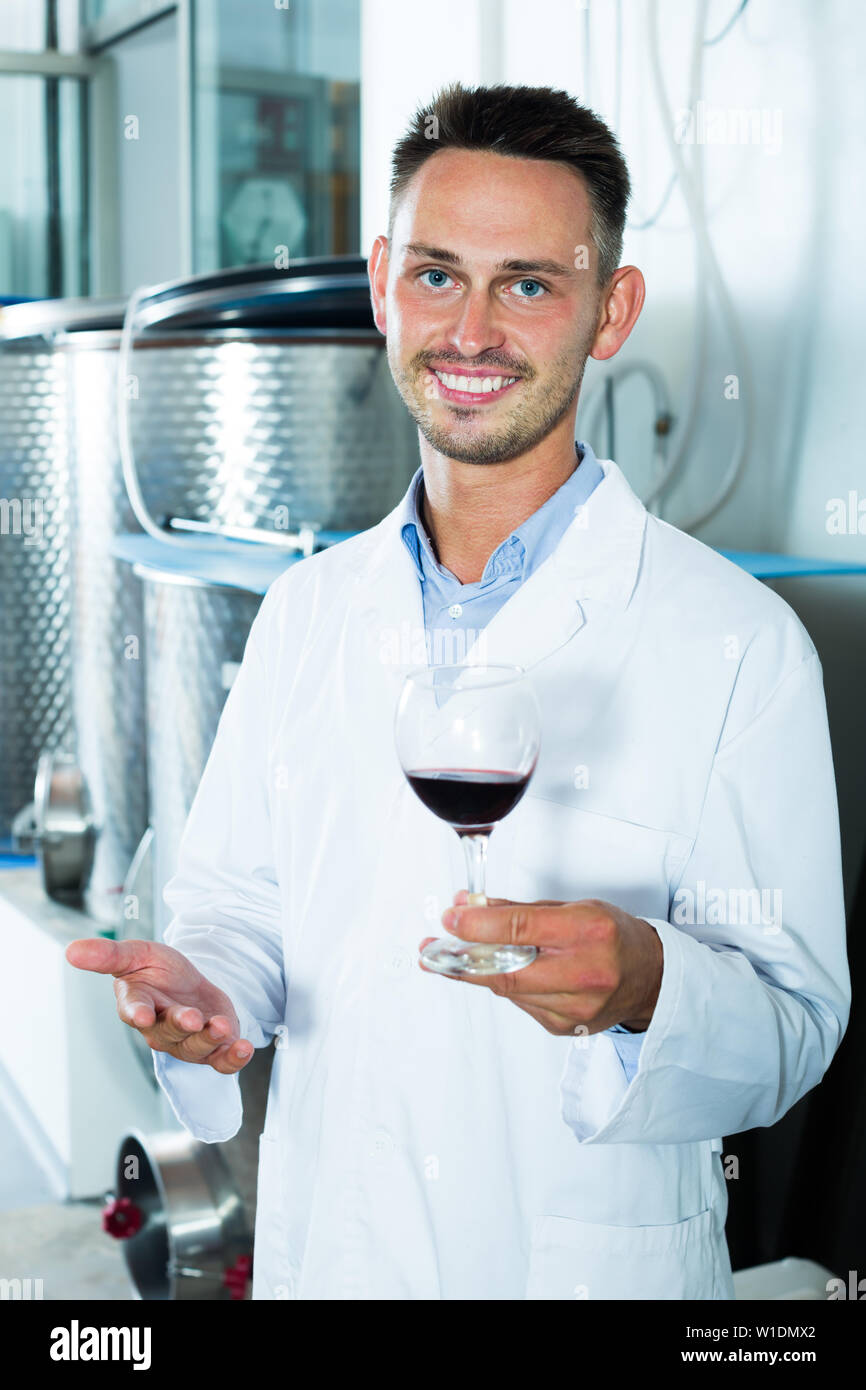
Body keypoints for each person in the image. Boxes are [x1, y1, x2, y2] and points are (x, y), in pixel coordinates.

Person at [67, 82, 850, 1300]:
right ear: (382, 282)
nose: (471, 331)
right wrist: (203, 986)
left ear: (610, 309)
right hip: (337, 1256)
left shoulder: (738, 643)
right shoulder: (306, 615)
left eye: (528, 283)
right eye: (437, 275)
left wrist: (648, 983)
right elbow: (238, 908)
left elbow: (796, 1025)